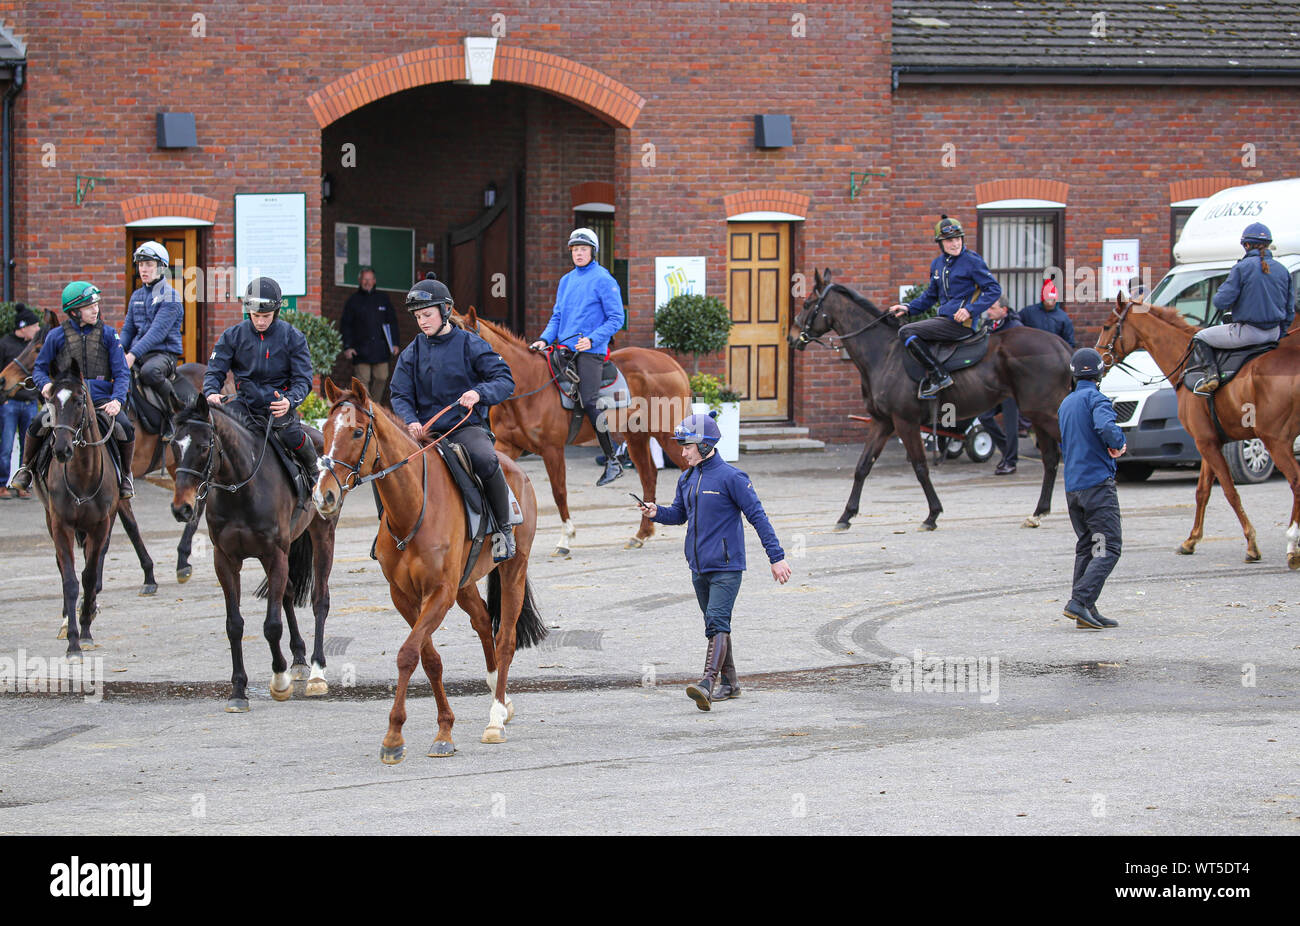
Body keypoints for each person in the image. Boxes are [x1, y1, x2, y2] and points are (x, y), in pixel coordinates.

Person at [637, 412, 791, 710]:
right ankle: (731, 683)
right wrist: (657, 512)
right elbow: (680, 514)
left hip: (727, 567)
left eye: (687, 447)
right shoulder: (686, 478)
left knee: (717, 621)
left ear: (706, 446)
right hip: (698, 567)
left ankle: (707, 682)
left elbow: (758, 517)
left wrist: (777, 557)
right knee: (716, 624)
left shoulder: (732, 478)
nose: (682, 452)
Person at [389, 275, 518, 561]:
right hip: (424, 432)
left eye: (427, 315)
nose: (422, 321)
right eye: (418, 316)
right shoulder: (411, 352)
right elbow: (399, 394)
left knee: (486, 459)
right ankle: (387, 536)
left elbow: (504, 379)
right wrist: (410, 421)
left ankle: (503, 529)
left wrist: (479, 393)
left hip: (464, 427)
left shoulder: (470, 344)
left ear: (445, 310)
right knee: (387, 467)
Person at [11, 283, 135, 498]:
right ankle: (26, 470)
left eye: (96, 304)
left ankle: (125, 476)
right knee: (38, 423)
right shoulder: (56, 336)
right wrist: (45, 384)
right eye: (89, 306)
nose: (95, 309)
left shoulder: (108, 334)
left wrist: (117, 400)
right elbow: (39, 368)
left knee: (125, 427)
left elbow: (123, 373)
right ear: (75, 311)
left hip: (100, 402)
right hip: (65, 404)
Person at [530, 227, 627, 486]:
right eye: (575, 250)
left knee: (590, 400)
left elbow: (618, 318)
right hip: (563, 349)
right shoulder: (566, 280)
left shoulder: (604, 279)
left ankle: (612, 459)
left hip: (590, 352)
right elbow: (558, 317)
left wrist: (593, 339)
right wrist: (544, 339)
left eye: (583, 249)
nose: (578, 253)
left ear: (592, 252)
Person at [202, 277, 318, 483]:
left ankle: (314, 475)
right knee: (215, 432)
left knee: (292, 435)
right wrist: (211, 392)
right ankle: (208, 486)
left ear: (276, 312)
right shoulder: (232, 336)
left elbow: (303, 379)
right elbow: (215, 371)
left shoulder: (293, 337)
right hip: (244, 404)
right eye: (256, 315)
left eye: (266, 316)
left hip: (278, 406)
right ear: (248, 312)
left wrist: (290, 401)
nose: (261, 321)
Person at [889, 215, 1002, 397]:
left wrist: (969, 311)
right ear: (940, 243)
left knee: (906, 332)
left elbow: (994, 290)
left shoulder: (973, 261)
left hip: (961, 325)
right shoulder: (937, 264)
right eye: (949, 240)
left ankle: (939, 375)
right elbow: (930, 296)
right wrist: (908, 307)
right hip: (943, 321)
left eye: (958, 239)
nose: (955, 244)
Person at [1058, 348, 1126, 631]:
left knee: (1088, 545)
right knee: (1109, 546)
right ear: (1099, 373)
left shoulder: (1067, 403)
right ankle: (1079, 600)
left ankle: (1086, 608)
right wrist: (1118, 443)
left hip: (1073, 486)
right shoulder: (1096, 399)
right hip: (1097, 484)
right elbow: (1106, 428)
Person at [1186, 222, 1294, 395]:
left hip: (1249, 333)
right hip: (1273, 333)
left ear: (1246, 245)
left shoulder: (1242, 268)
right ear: (1268, 245)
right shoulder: (1282, 270)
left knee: (1200, 337)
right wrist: (1280, 332)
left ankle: (1211, 376)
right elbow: (1290, 310)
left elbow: (1220, 302)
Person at [121, 240, 184, 438]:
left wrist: (131, 355)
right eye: (140, 265)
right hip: (138, 352)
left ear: (161, 268)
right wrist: (118, 350)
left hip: (163, 354)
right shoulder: (136, 295)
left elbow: (156, 333)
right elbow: (128, 329)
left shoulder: (171, 297)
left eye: (149, 264)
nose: (143, 269)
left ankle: (174, 413)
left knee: (150, 372)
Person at [975, 296, 1022, 475]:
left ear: (1004, 310)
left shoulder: (1014, 328)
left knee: (1011, 424)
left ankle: (1011, 461)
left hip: (1010, 384)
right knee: (984, 416)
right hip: (993, 382)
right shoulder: (987, 325)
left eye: (993, 308)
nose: (989, 311)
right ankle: (1007, 452)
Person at [0, 305, 42, 498]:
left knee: (28, 448)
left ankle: (22, 484)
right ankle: (2, 484)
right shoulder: (5, 344)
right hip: (11, 404)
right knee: (6, 446)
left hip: (30, 403)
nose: (38, 329)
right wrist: (3, 400)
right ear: (24, 326)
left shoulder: (33, 347)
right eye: (34, 325)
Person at [341, 267, 399, 403]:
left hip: (380, 349)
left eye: (370, 279)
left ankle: (374, 406)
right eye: (364, 279)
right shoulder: (353, 301)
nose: (367, 282)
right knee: (362, 383)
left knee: (382, 377)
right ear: (359, 281)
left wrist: (395, 343)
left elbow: (392, 322)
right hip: (360, 350)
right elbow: (346, 326)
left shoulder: (383, 299)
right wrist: (347, 347)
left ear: (374, 281)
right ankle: (366, 408)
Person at [1019, 277, 1076, 349]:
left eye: (1053, 298)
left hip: (1054, 356)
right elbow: (1016, 325)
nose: (1050, 301)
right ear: (1043, 298)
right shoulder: (1028, 312)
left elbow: (1069, 342)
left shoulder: (1063, 318)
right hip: (1032, 354)